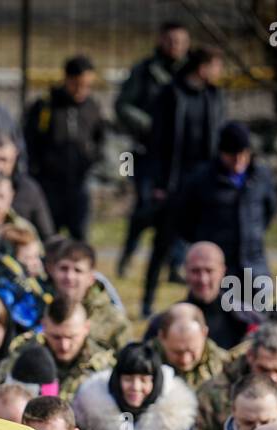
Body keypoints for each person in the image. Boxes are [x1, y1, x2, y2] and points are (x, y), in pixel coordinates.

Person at [143, 47, 225, 316]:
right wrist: (157, 182)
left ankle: (212, 304)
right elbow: (156, 141)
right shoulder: (171, 94)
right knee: (162, 245)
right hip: (173, 185)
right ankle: (147, 302)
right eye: (216, 65)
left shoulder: (214, 96)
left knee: (208, 251)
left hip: (204, 187)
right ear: (202, 67)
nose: (219, 72)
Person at [116, 21, 191, 277]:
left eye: (180, 42)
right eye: (170, 41)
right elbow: (123, 106)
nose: (175, 47)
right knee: (145, 209)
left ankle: (176, 265)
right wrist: (151, 125)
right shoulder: (145, 71)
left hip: (182, 157)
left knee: (182, 210)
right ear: (160, 40)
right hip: (148, 154)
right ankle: (127, 257)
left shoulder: (191, 74)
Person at [176, 122, 277, 281]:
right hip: (218, 269)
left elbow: (269, 210)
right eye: (232, 155)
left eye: (243, 154)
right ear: (221, 153)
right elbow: (183, 217)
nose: (238, 160)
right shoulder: (201, 178)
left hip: (255, 264)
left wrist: (252, 232)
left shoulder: (261, 176)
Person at [24, 55, 105, 239]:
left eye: (87, 85)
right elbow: (30, 141)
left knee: (80, 237)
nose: (81, 90)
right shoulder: (45, 106)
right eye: (77, 84)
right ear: (67, 79)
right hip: (49, 186)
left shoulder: (92, 107)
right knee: (48, 236)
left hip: (79, 185)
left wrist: (92, 162)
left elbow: (101, 139)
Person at [40, 239, 129, 352]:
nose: (69, 276)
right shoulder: (36, 307)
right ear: (52, 271)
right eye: (64, 268)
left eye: (78, 270)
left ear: (91, 278)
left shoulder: (113, 320)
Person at [154, 301, 228, 390]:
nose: (185, 360)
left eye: (192, 350)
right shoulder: (145, 363)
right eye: (177, 352)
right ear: (162, 337)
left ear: (204, 333)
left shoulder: (226, 367)